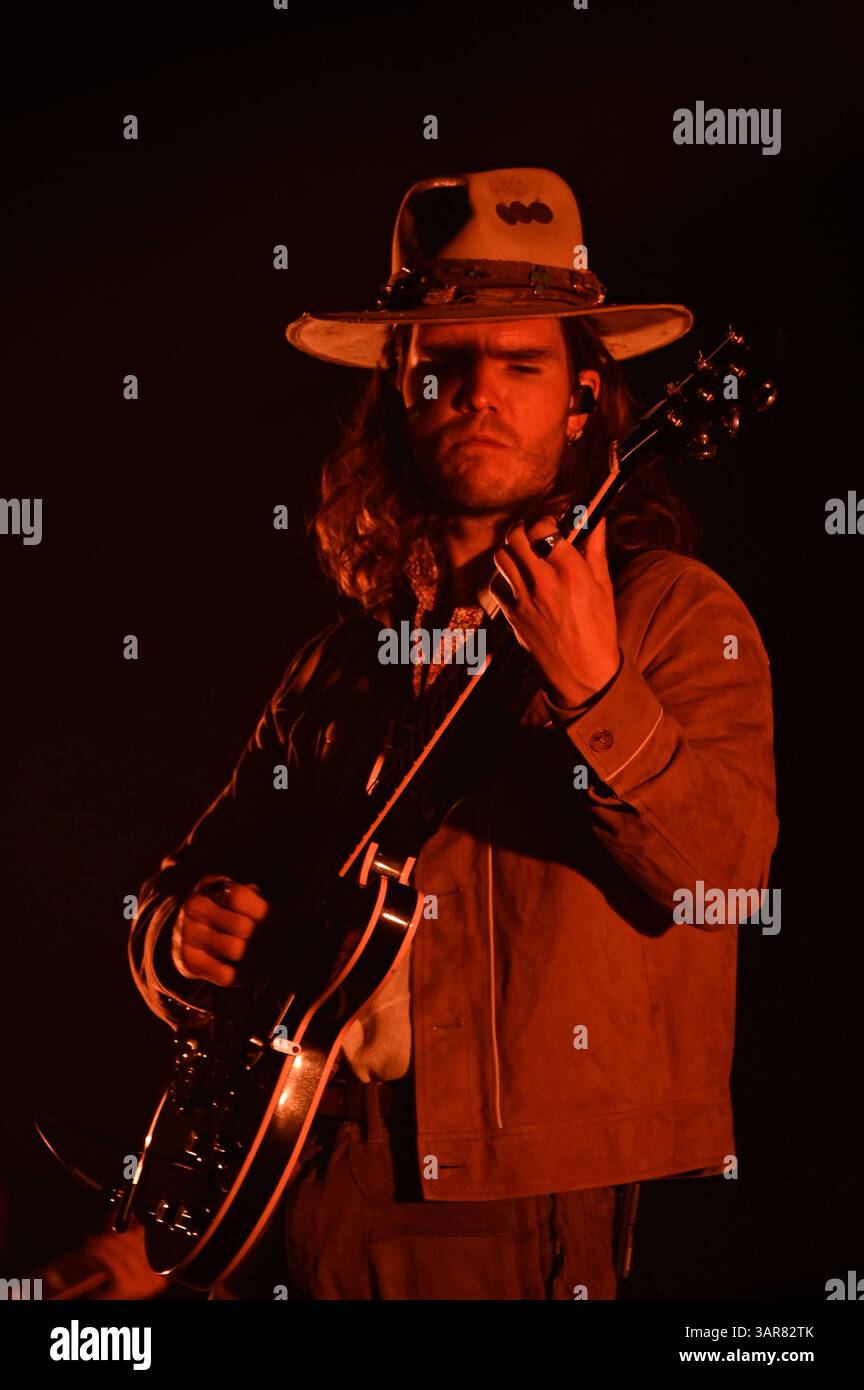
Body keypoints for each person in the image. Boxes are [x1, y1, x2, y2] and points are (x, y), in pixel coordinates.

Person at [129, 167, 779, 1300]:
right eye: (447, 361)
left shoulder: (676, 611)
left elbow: (725, 879)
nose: (480, 391)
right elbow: (180, 881)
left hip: (499, 1204)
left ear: (583, 396)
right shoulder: (341, 659)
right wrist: (176, 934)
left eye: (522, 363)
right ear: (399, 389)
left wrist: (596, 691)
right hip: (292, 1183)